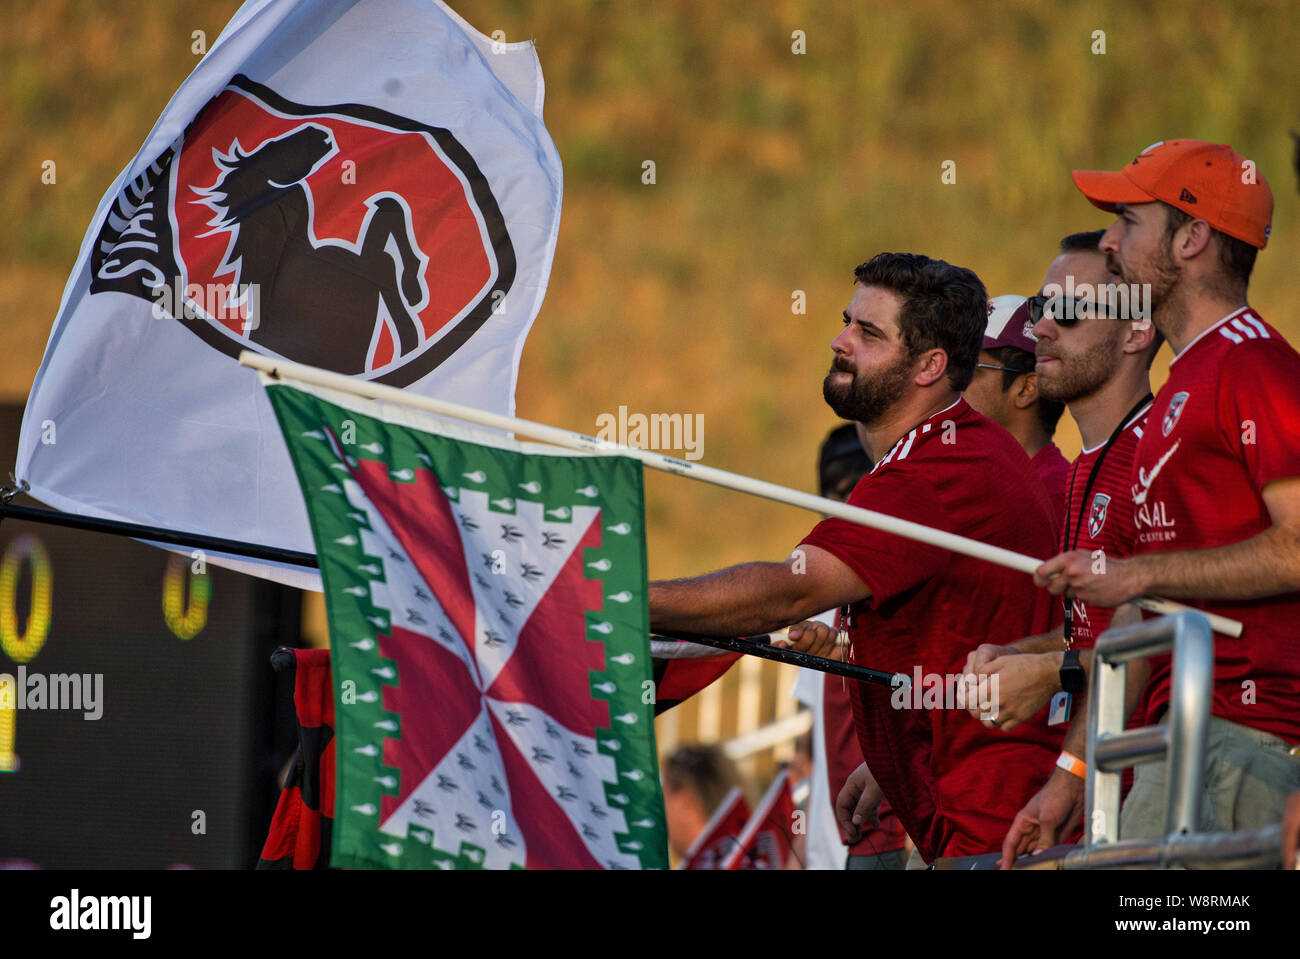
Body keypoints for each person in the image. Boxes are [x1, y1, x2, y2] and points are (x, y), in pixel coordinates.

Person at [650, 252, 1062, 863]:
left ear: (930, 366)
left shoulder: (937, 468)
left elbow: (786, 592)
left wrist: (622, 594)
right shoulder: (934, 454)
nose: (840, 341)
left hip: (994, 823)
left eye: (869, 333)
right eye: (848, 322)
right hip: (971, 814)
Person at [1008, 140, 1300, 861]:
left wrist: (1138, 575)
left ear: (1193, 237)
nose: (1109, 238)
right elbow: (1141, 609)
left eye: (1129, 220)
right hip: (1175, 738)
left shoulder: (1254, 362)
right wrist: (1068, 779)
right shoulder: (1180, 389)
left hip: (1253, 739)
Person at [954, 231, 1159, 859]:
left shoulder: (1157, 452)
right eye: (1042, 310)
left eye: (1067, 312)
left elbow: (1166, 631)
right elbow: (1101, 637)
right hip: (1105, 796)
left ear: (1135, 332)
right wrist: (1023, 654)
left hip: (1171, 791)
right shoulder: (1084, 468)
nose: (1042, 329)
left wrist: (1052, 669)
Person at [792, 423, 909, 870]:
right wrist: (798, 835)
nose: (841, 508)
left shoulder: (904, 583)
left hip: (895, 831)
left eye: (854, 492)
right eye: (831, 496)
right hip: (831, 844)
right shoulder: (818, 602)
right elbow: (806, 745)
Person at [963, 294, 1070, 529]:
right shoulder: (976, 480)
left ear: (1026, 389)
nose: (951, 381)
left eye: (970, 369)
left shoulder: (1052, 499)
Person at [661, 743, 745, 862]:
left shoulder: (718, 862)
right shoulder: (740, 858)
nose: (657, 811)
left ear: (686, 802)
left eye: (662, 797)